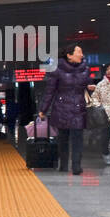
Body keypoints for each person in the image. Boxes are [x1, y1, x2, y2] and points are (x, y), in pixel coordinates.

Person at [38, 43, 92, 175]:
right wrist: (43, 109)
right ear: (69, 55)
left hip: (79, 107)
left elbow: (88, 85)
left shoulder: (85, 69)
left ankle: (76, 166)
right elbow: (50, 91)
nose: (82, 55)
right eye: (78, 52)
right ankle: (63, 164)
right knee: (63, 138)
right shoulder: (56, 70)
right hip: (62, 107)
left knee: (78, 137)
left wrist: (91, 87)